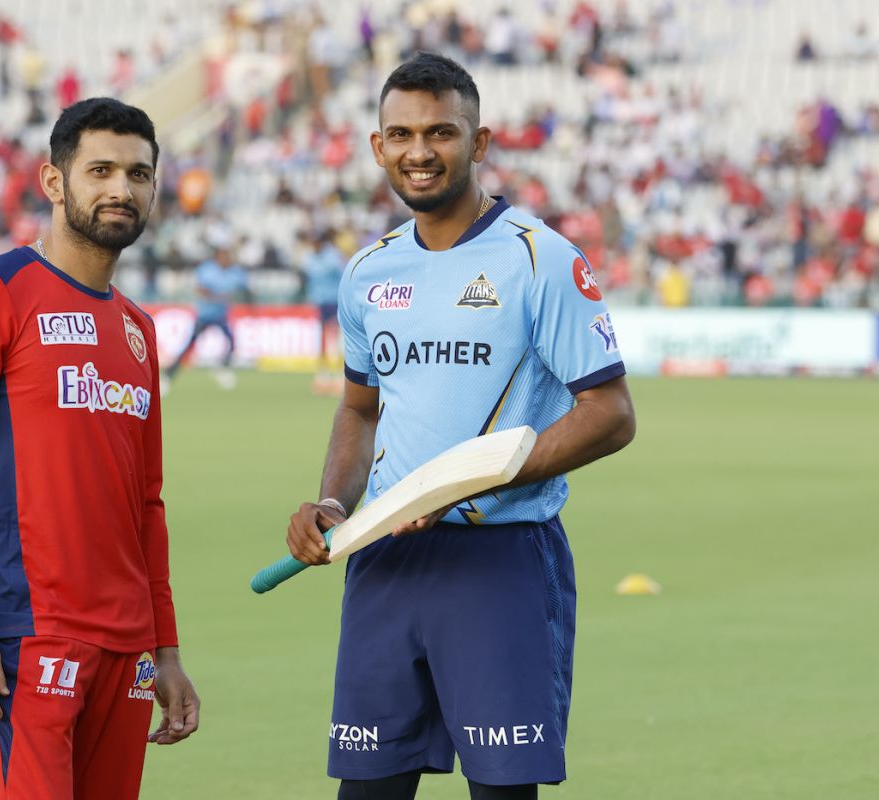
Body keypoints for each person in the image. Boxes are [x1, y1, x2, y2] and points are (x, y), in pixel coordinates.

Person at [285, 53, 635, 800]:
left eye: (442, 132)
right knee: (367, 790)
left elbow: (610, 416)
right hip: (383, 559)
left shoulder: (540, 259)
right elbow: (358, 408)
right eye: (401, 134)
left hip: (500, 561)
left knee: (502, 792)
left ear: (479, 144)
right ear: (377, 147)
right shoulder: (368, 273)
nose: (420, 151)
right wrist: (334, 505)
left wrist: (467, 482)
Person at [0, 98, 199, 800]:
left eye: (138, 173)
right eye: (100, 170)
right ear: (54, 182)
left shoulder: (138, 330)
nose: (121, 189)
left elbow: (146, 502)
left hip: (129, 649)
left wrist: (168, 649)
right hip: (31, 636)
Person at [164, 242, 248, 390]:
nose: (226, 259)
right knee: (189, 346)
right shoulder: (207, 269)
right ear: (217, 257)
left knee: (232, 342)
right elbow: (200, 289)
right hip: (205, 315)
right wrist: (219, 297)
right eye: (223, 256)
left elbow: (244, 289)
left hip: (221, 315)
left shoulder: (235, 272)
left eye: (227, 256)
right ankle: (168, 375)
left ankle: (221, 367)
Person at [302, 229, 347, 393]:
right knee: (321, 337)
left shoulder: (333, 256)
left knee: (336, 338)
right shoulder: (309, 257)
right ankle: (323, 374)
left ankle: (338, 374)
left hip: (335, 300)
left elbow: (344, 275)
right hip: (320, 301)